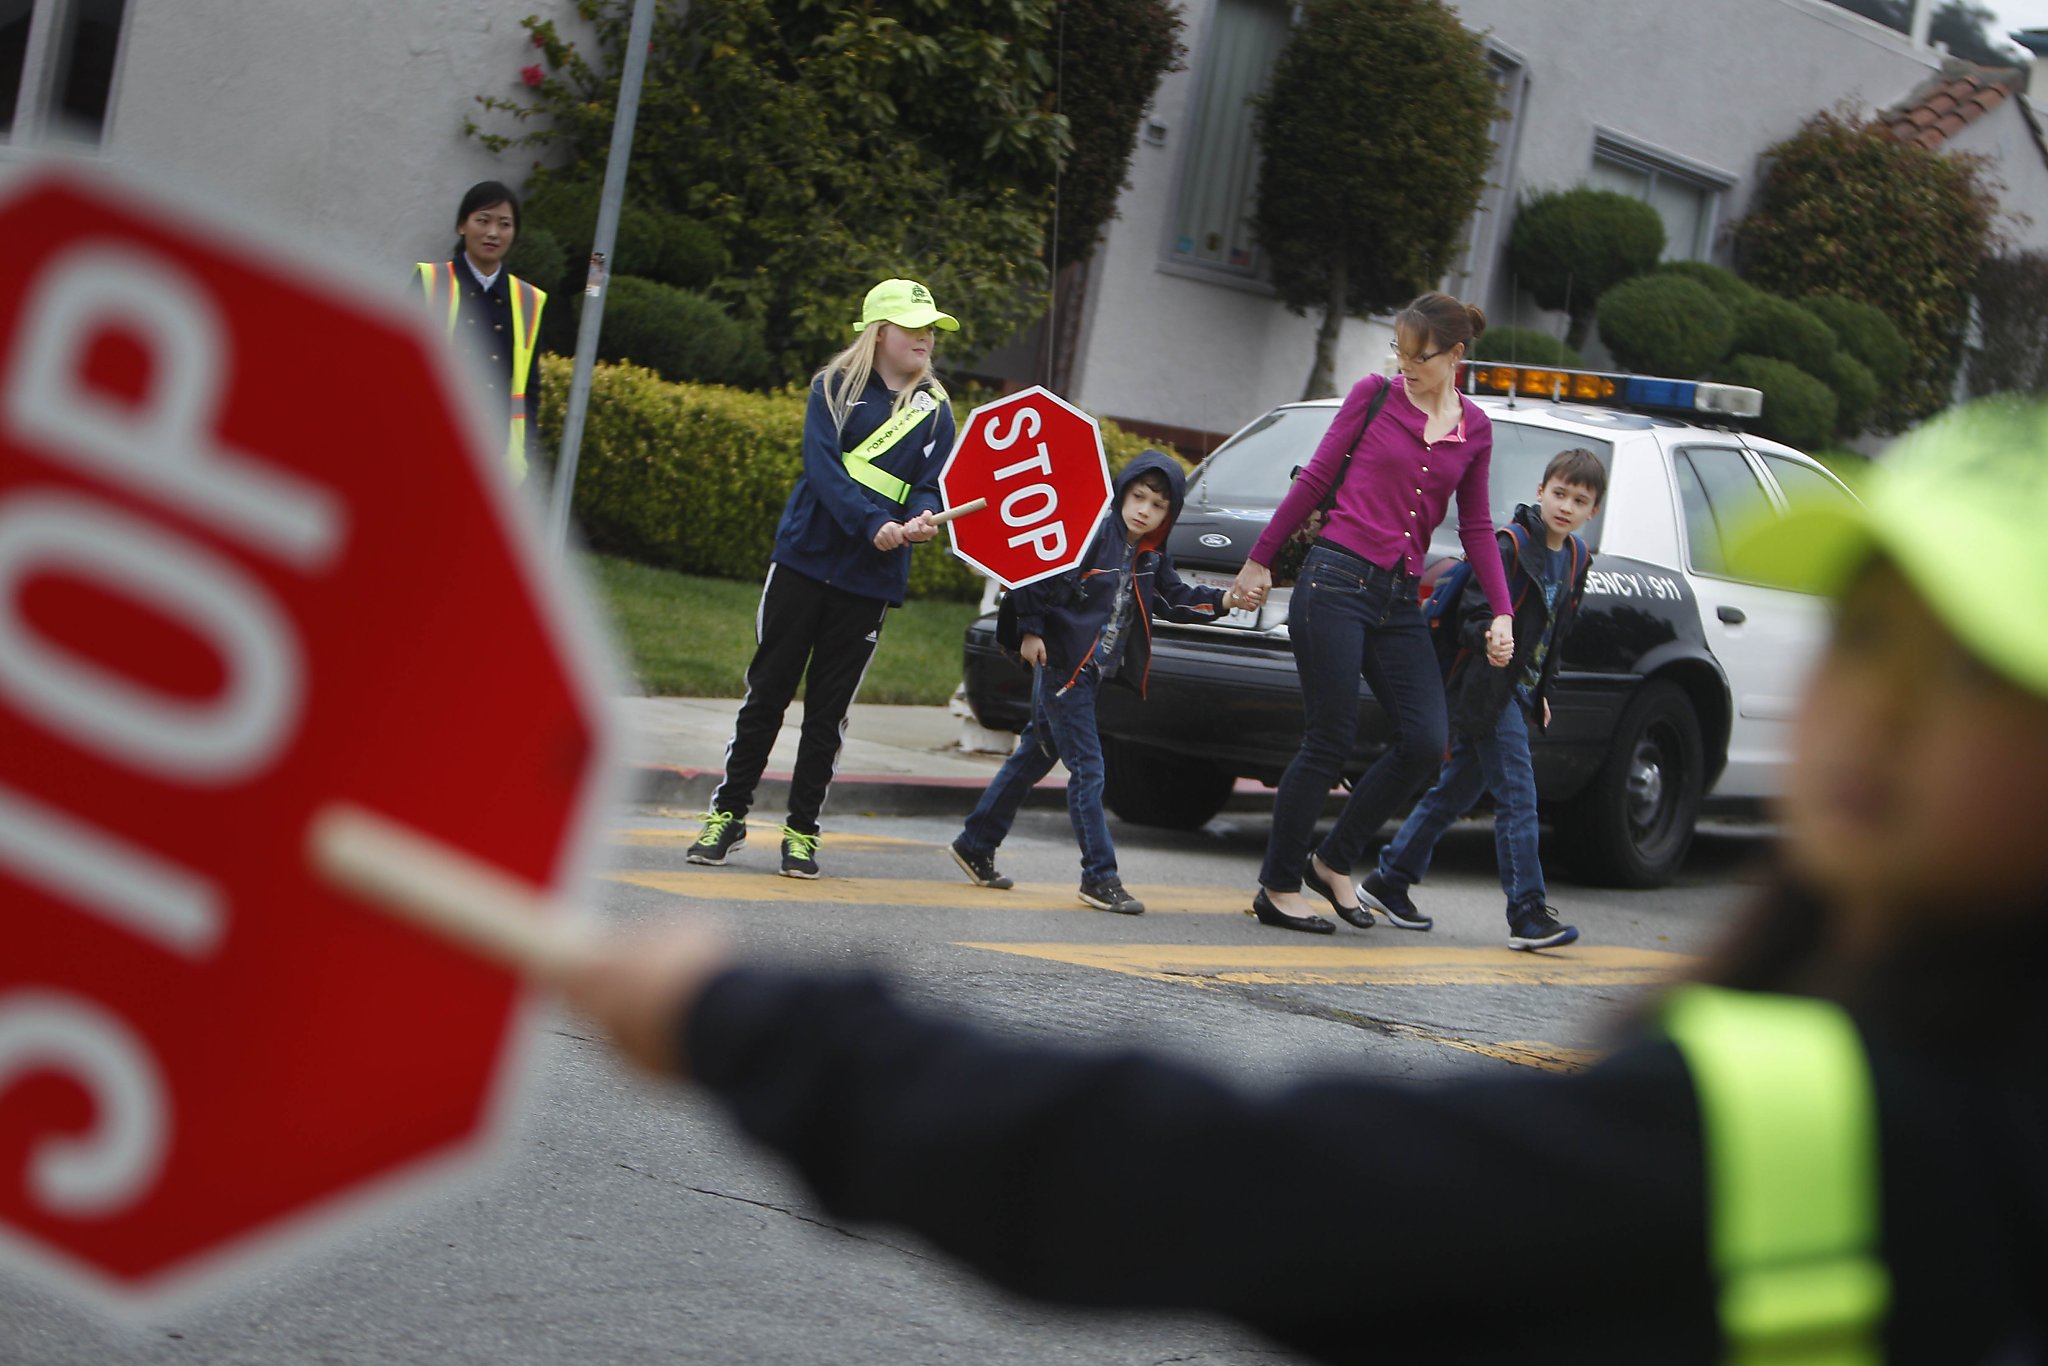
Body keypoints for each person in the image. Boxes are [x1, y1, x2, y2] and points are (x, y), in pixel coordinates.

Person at [561, 398, 2048, 1362]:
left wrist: (764, 1032)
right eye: (1867, 636)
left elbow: (1264, 1192)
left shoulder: (1879, 1114)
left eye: (1973, 673)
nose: (1887, 710)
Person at [1231, 292, 1515, 935]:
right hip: (1333, 578)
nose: (1406, 364)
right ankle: (1277, 885)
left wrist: (1502, 609)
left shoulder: (1476, 429)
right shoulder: (1374, 395)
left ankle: (1331, 859)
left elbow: (1474, 525)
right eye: (1400, 350)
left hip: (1398, 595)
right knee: (1328, 737)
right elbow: (1314, 480)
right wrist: (1260, 561)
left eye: (1421, 355)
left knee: (1425, 741)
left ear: (1456, 356)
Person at [687, 279, 956, 880]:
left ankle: (801, 831)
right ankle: (727, 815)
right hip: (805, 559)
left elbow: (934, 482)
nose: (925, 337)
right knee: (769, 692)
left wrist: (920, 518)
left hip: (871, 579)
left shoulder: (937, 407)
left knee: (828, 712)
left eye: (930, 327)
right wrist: (871, 524)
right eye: (913, 326)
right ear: (879, 331)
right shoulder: (832, 388)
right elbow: (823, 469)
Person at [947, 453, 1246, 914]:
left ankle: (975, 841)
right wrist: (1030, 630)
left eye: (1158, 505)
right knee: (1089, 770)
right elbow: (1037, 569)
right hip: (1065, 665)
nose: (1144, 509)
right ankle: (1099, 875)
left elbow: (1176, 599)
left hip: (1092, 670)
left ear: (1169, 515)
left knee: (1035, 753)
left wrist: (1226, 599)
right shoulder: (1089, 533)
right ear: (1122, 492)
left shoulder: (1148, 555)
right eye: (1138, 496)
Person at [1360, 448, 1605, 950]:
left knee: (1455, 792)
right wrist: (1488, 637)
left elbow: (1556, 632)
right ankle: (1527, 912)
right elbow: (1467, 618)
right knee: (1518, 796)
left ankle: (1390, 879)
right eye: (1559, 493)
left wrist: (1544, 692)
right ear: (1540, 491)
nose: (1565, 506)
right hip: (1487, 688)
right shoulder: (1510, 546)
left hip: (1520, 690)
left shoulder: (1577, 558)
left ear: (1592, 511)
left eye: (1579, 500)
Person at [415, 181, 548, 483]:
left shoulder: (529, 300)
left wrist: (529, 452)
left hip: (496, 463)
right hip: (429, 451)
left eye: (504, 224)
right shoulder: (431, 281)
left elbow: (529, 389)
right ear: (462, 225)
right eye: (483, 220)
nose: (493, 233)